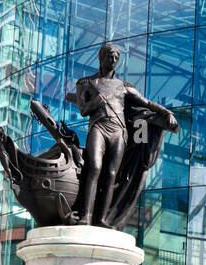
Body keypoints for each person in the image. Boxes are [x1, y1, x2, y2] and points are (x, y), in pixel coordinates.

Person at [68, 43, 179, 227]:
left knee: (111, 174)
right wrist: (96, 101)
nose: (113, 61)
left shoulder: (124, 86)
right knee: (94, 167)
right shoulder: (86, 83)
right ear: (101, 58)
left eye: (116, 58)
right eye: (110, 56)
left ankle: (102, 219)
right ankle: (86, 216)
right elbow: (83, 110)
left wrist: (167, 113)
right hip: (99, 127)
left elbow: (147, 103)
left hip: (118, 131)